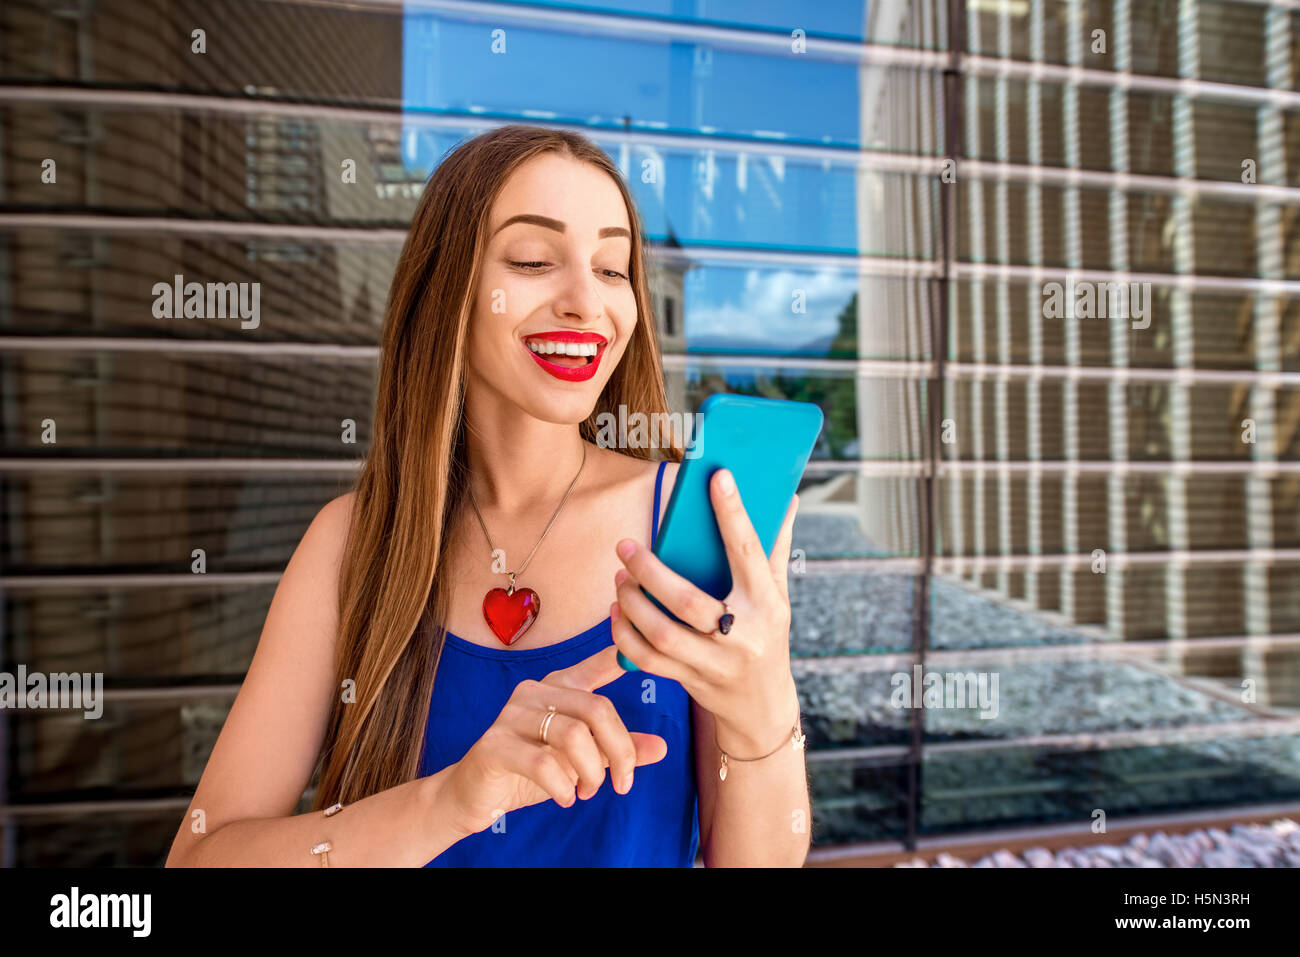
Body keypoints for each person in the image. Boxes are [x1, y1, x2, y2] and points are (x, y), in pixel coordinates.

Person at [165, 125, 809, 867]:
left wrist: (763, 708)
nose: (585, 303)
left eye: (611, 268)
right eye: (535, 260)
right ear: (450, 289)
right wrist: (451, 800)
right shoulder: (351, 542)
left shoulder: (688, 525)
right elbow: (199, 858)